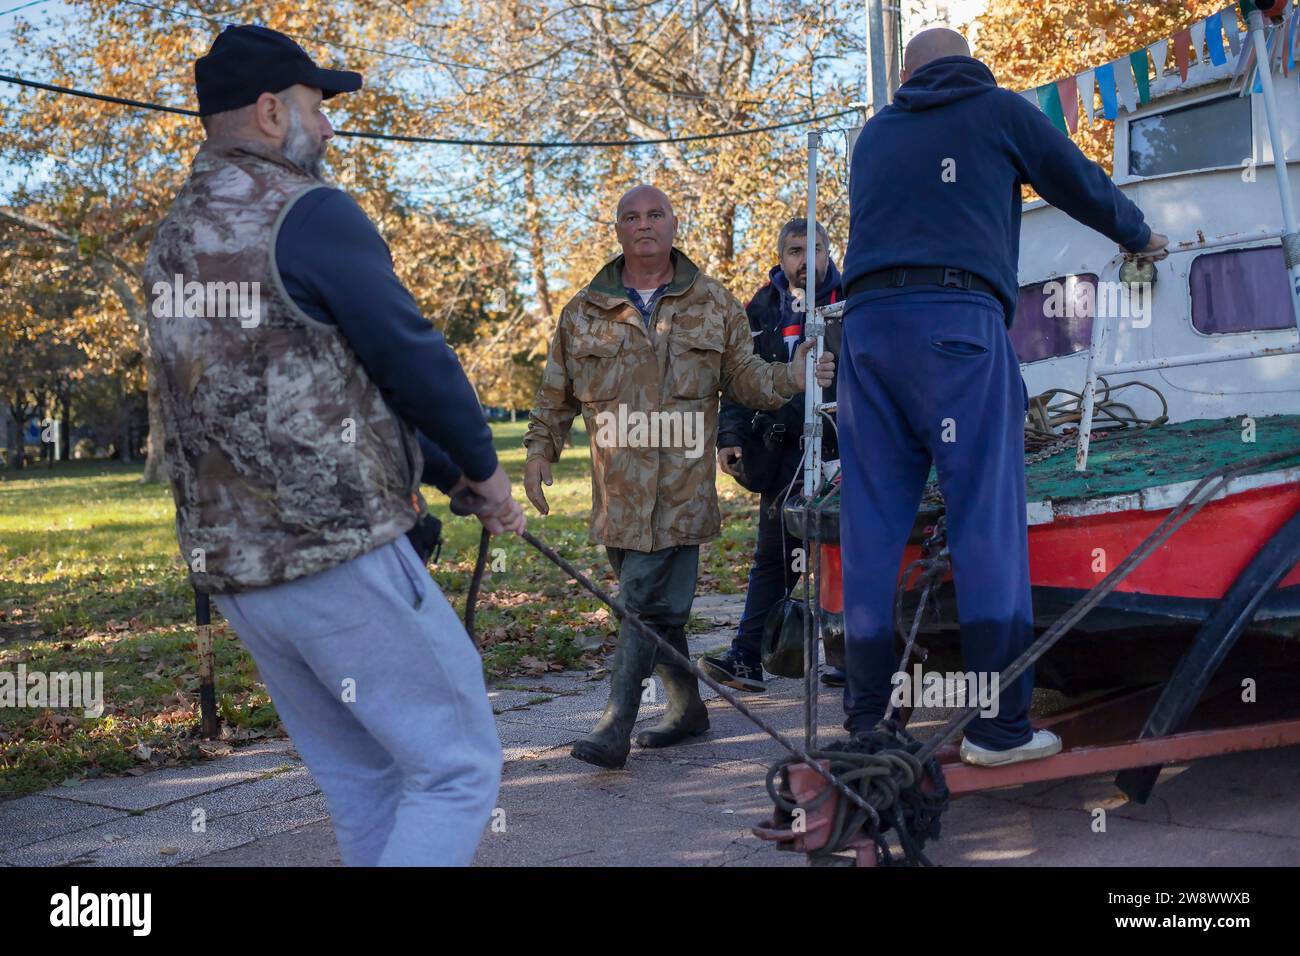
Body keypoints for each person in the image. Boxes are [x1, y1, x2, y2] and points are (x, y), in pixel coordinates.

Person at [143, 24, 524, 865]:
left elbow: (295, 390)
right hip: (336, 552)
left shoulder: (172, 240)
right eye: (322, 106)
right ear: (274, 111)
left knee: (367, 782)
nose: (333, 127)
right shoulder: (307, 211)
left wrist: (441, 464)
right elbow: (409, 353)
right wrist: (489, 473)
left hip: (240, 573)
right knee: (457, 768)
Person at [837, 28, 1168, 766]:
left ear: (905, 74)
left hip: (865, 336)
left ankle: (867, 719)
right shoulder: (999, 110)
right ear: (970, 65)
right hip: (955, 330)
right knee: (984, 519)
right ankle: (999, 728)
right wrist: (1141, 236)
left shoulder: (875, 134)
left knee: (869, 530)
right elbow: (1076, 182)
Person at [523, 185, 835, 769]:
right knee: (657, 605)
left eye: (656, 215)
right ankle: (688, 708)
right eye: (631, 216)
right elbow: (554, 393)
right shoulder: (583, 311)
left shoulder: (713, 303)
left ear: (673, 224)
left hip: (681, 487)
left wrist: (793, 377)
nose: (644, 225)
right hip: (617, 491)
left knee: (639, 598)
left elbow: (745, 379)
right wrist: (541, 452)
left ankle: (616, 724)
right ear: (618, 229)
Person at [704, 217, 842, 692]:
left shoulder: (854, 300)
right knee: (775, 554)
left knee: (848, 549)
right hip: (783, 452)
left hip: (847, 448)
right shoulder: (760, 308)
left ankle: (848, 652)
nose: (807, 260)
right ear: (782, 257)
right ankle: (746, 656)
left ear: (829, 252)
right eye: (796, 251)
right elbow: (739, 380)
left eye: (816, 249)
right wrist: (730, 435)